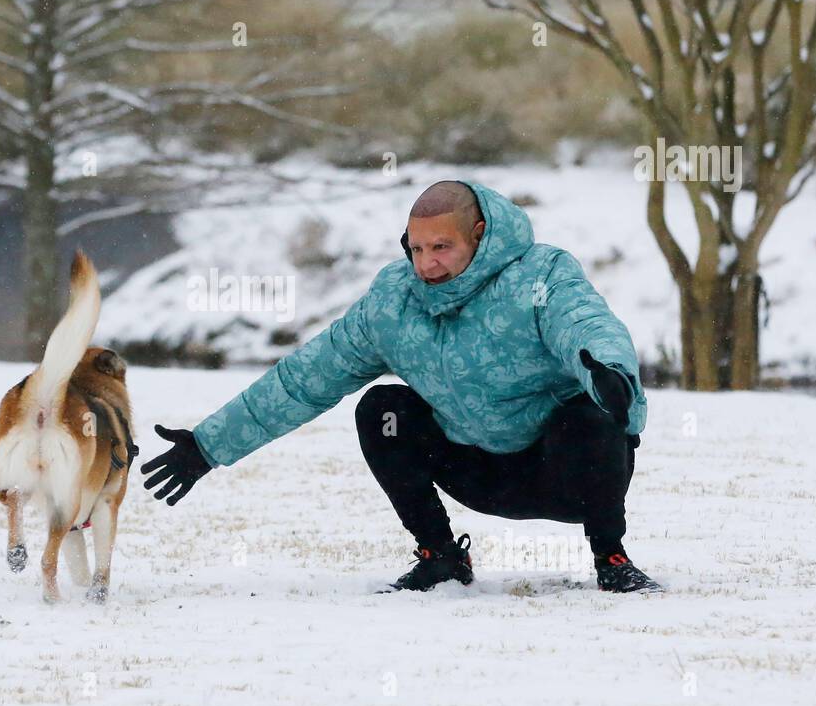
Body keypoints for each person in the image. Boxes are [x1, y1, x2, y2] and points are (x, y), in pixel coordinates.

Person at [141, 180, 662, 594]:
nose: (426, 263)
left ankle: (611, 559)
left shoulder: (541, 274)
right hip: (475, 471)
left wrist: (611, 373)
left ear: (480, 234)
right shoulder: (393, 303)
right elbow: (305, 379)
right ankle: (440, 558)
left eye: (442, 246)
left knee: (589, 413)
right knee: (383, 409)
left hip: (565, 474)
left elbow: (586, 324)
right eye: (416, 247)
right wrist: (209, 446)